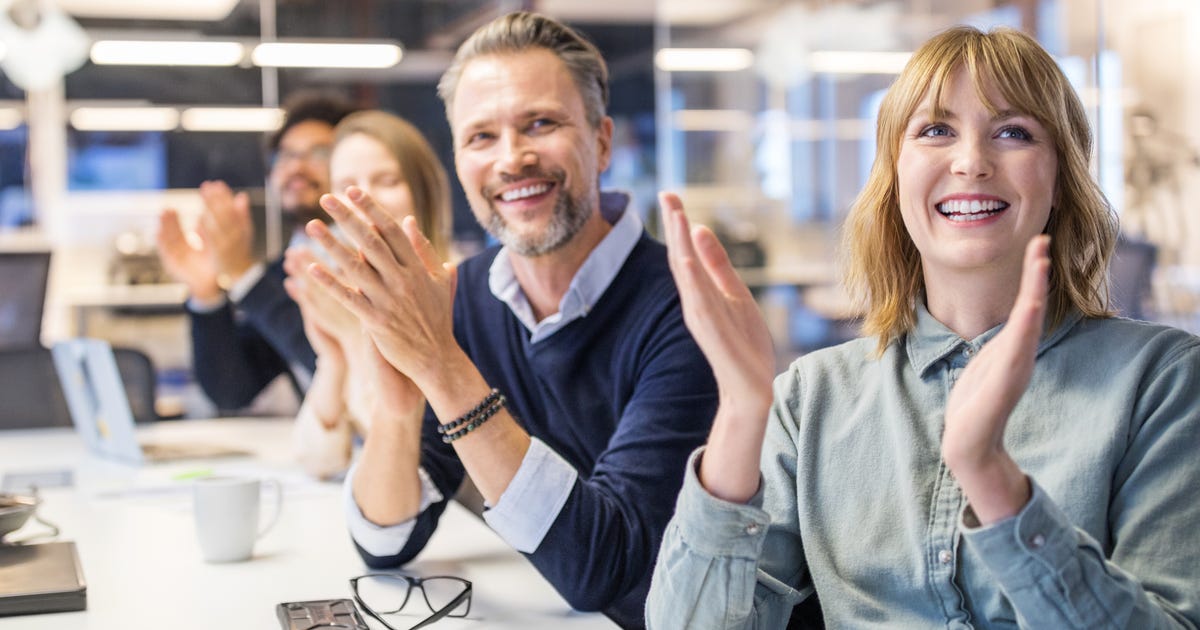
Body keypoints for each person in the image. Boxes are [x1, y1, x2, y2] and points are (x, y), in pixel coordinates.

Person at [646, 25, 1200, 628]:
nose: (971, 162)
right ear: (893, 178)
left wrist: (991, 480)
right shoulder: (811, 399)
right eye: (936, 130)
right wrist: (741, 411)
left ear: (1061, 178)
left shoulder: (1162, 381)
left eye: (1014, 133)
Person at [303, 12, 717, 629]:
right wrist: (396, 409)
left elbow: (607, 572)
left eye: (541, 124)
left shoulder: (689, 310)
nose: (512, 159)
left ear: (602, 141)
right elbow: (387, 543)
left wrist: (442, 368)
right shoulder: (465, 295)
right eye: (480, 138)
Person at [156, 93, 355, 411]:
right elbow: (233, 390)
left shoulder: (367, 262)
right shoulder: (285, 270)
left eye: (319, 153)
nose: (296, 167)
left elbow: (344, 370)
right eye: (285, 155)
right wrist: (207, 294)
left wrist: (243, 274)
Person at [283, 110, 452, 480]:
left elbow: (416, 463)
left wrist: (351, 338)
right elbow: (317, 461)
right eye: (347, 185)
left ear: (424, 192)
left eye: (387, 180)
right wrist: (333, 358)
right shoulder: (352, 293)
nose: (362, 199)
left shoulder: (459, 292)